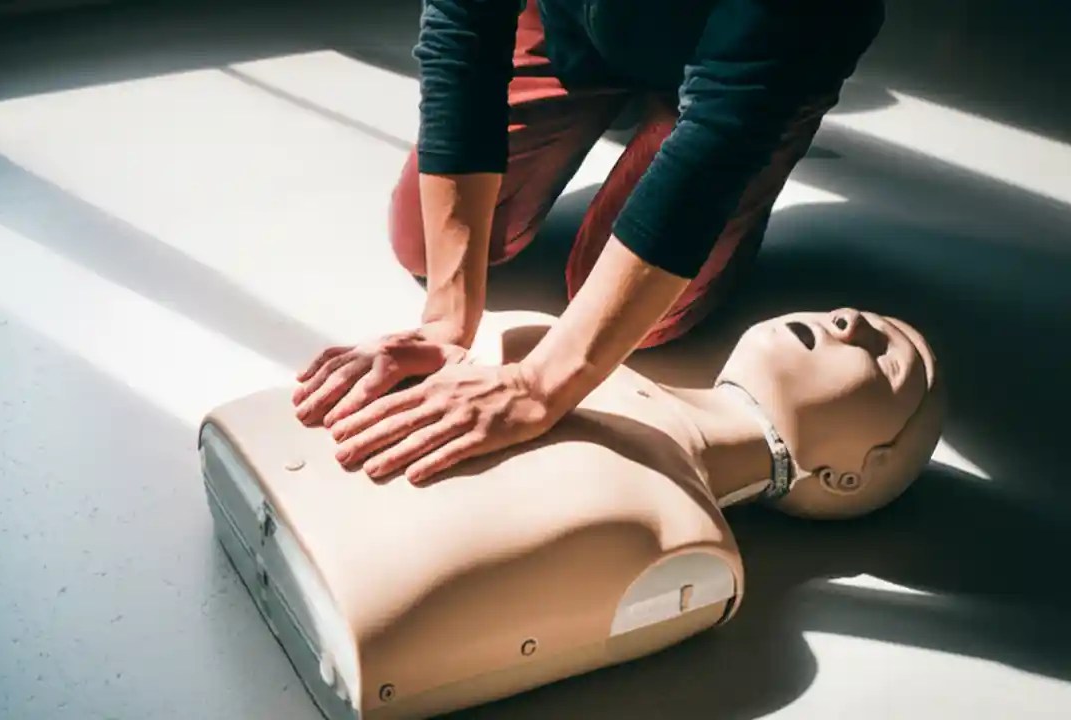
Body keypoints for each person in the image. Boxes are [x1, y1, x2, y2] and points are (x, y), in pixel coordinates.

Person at [203, 307, 944, 716]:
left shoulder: (687, 546)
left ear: (850, 478)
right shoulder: (546, 337)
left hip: (353, 604)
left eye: (886, 358)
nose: (850, 323)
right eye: (863, 316)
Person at [292, 0, 887, 482]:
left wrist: (537, 387)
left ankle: (674, 116)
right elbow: (463, 27)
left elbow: (728, 129)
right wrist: (446, 319)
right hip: (579, 20)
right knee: (428, 242)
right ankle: (624, 80)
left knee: (645, 325)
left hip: (756, 75)